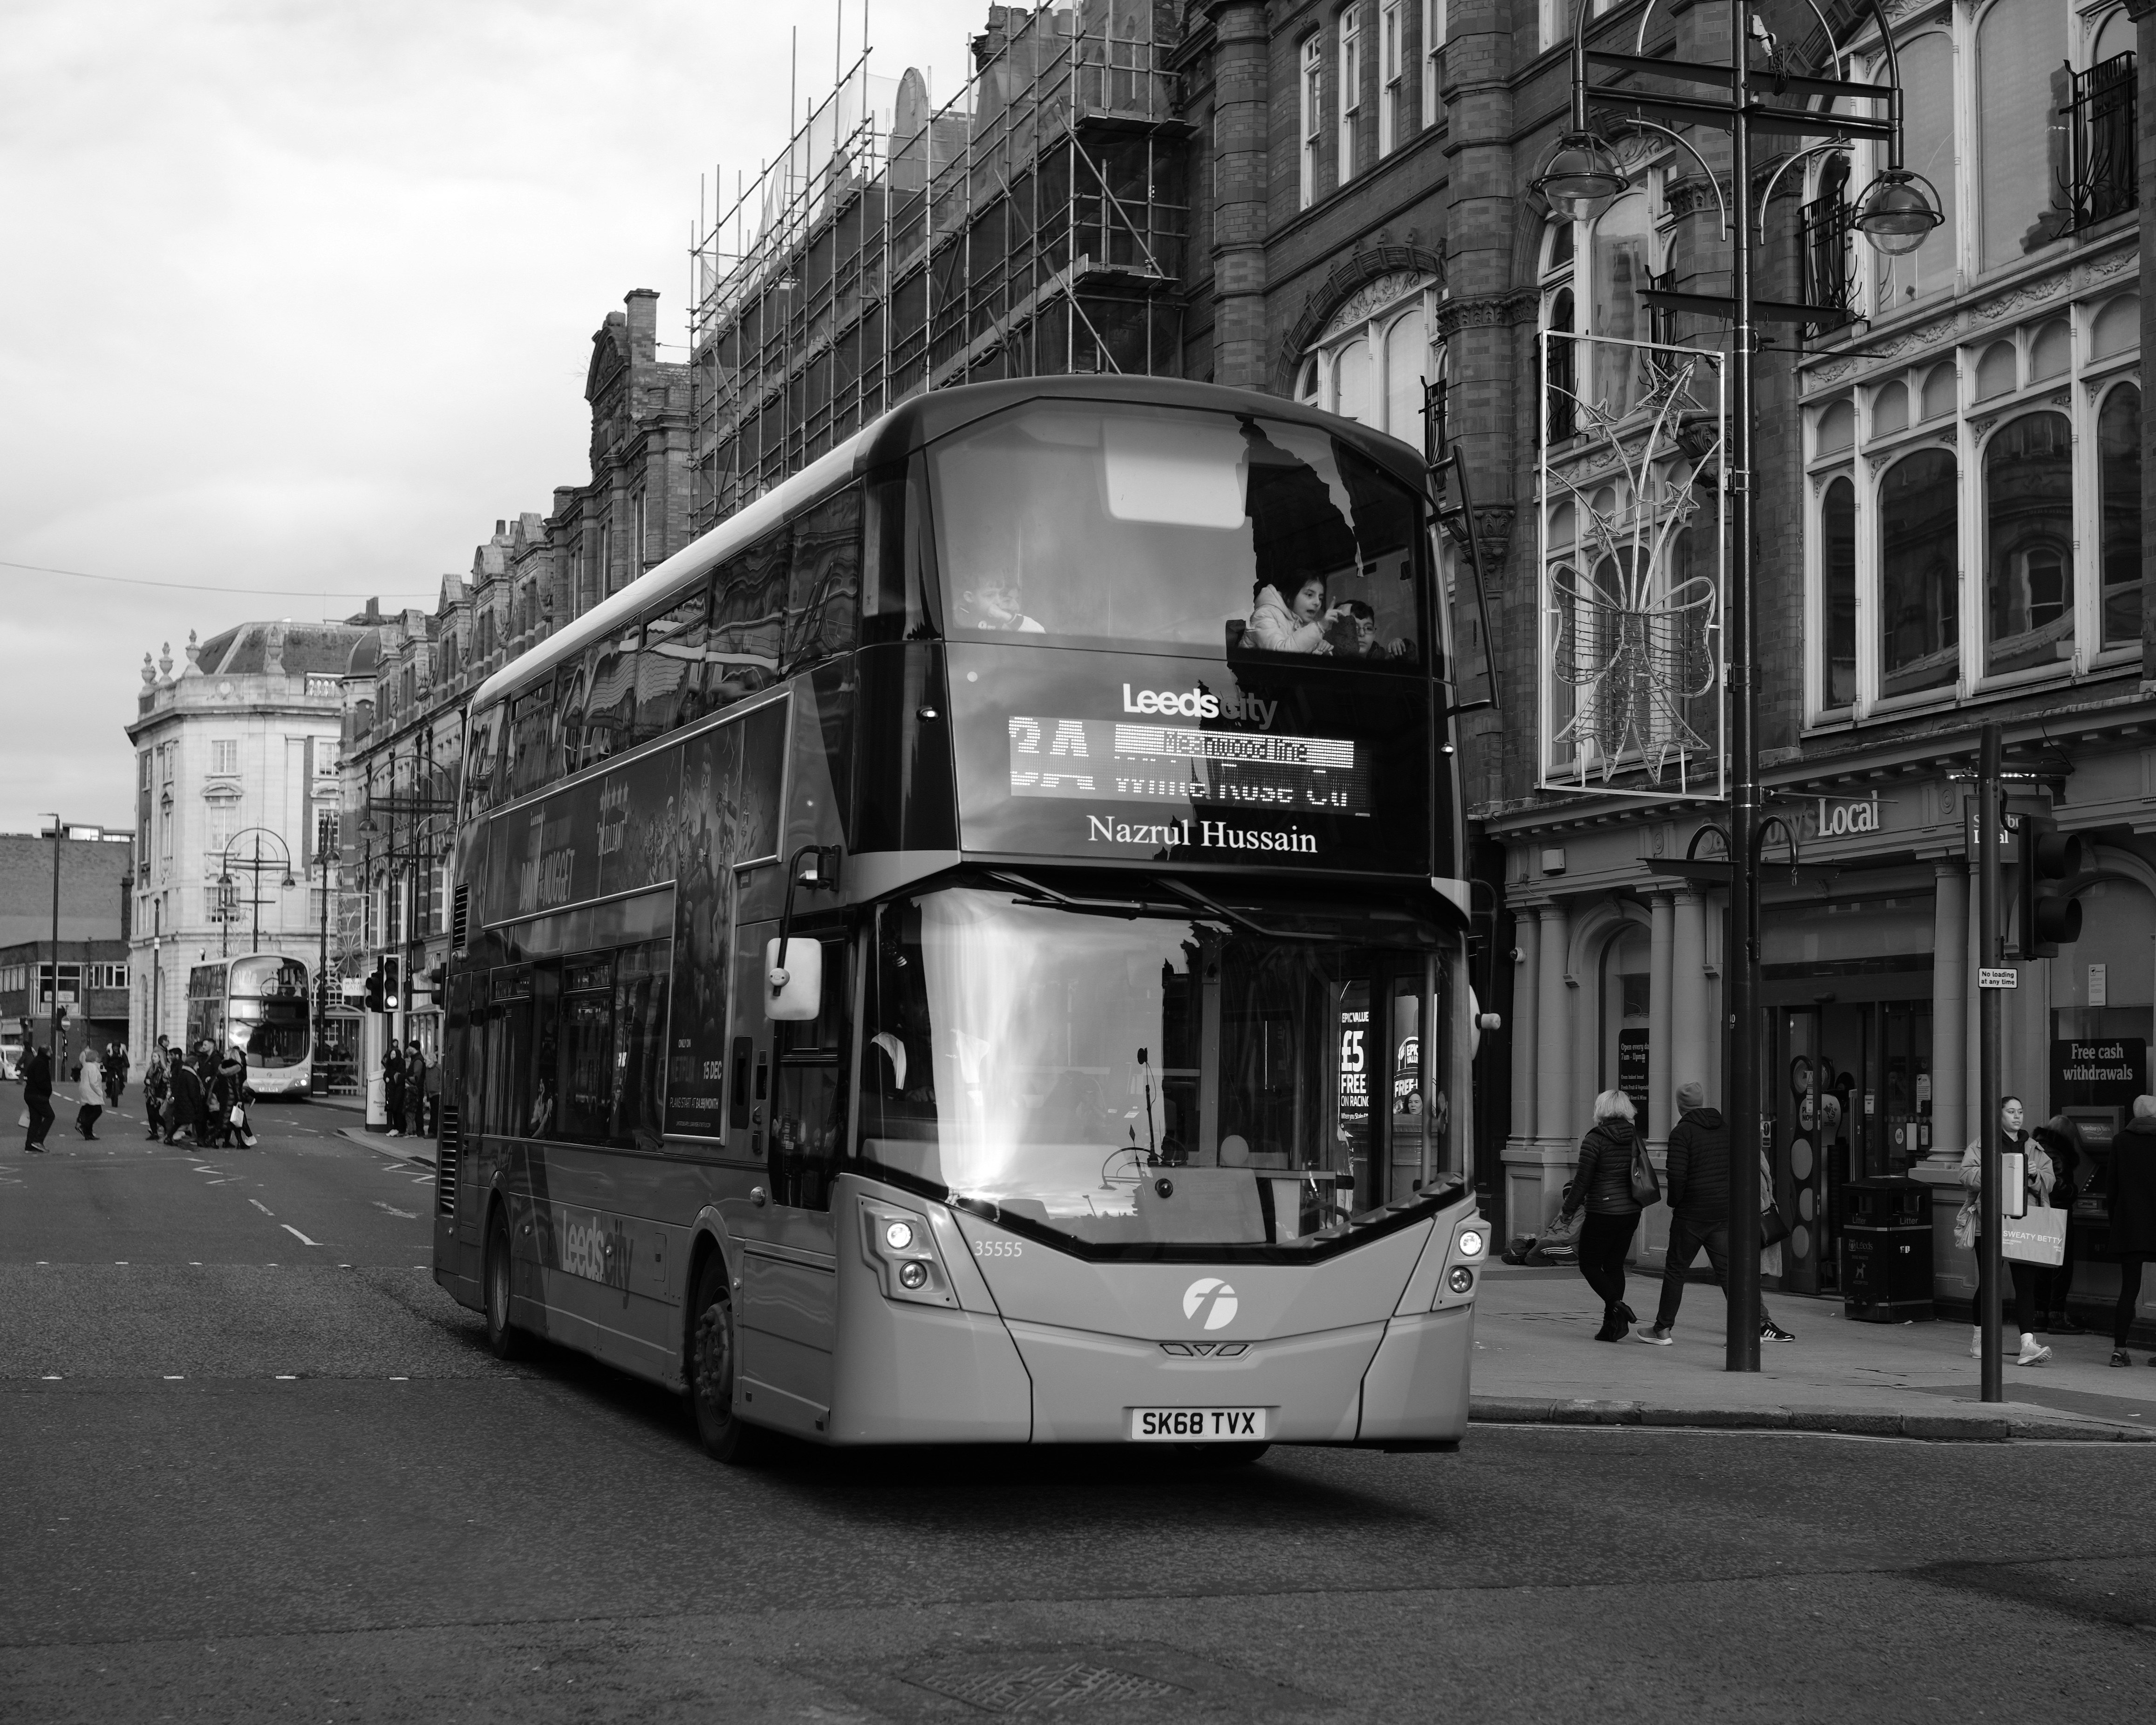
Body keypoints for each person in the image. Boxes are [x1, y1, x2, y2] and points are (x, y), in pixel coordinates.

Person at [1637, 1081, 1795, 1345]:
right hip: (1723, 1213)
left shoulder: (1682, 1133)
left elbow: (1677, 1176)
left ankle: (1663, 1330)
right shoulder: (1724, 1128)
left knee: (1676, 1270)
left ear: (1679, 1106)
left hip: (1692, 1215)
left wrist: (1676, 1203)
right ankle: (1752, 1325)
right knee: (1729, 1273)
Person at [1958, 1095, 2053, 1367]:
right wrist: (1997, 1170)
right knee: (1990, 1282)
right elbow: (1965, 1175)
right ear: (1999, 1115)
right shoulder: (1983, 1144)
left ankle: (2028, 1344)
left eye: (2020, 1112)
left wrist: (2034, 1176)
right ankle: (1980, 1337)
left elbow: (2051, 1181)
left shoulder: (2034, 1147)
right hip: (1990, 1221)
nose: (2017, 1117)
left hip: (2025, 1221)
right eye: (2011, 1112)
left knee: (2026, 1284)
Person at [1557, 1089, 1647, 1342]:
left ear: (1601, 1110)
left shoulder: (1594, 1139)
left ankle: (1617, 1305)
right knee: (1615, 1265)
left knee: (1589, 1264)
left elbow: (1581, 1182)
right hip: (1631, 1210)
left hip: (1603, 1211)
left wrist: (1567, 1213)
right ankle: (1613, 1326)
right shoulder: (1635, 1137)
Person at [2106, 1094, 2156, 1367]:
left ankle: (2120, 1349)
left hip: (2131, 1226)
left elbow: (2111, 1187)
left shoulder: (2120, 1141)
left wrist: (2117, 1222)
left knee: (2129, 1289)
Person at [2032, 1115, 2087, 1333]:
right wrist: (2076, 1191)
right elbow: (2059, 1187)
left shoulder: (2038, 1147)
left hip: (2040, 1213)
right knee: (2060, 1267)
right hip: (2057, 1216)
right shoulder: (2057, 1153)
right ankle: (2057, 1316)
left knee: (2042, 1266)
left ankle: (2040, 1315)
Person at [1245, 574, 1348, 654]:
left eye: (1320, 598)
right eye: (1309, 595)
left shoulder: (1307, 624)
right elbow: (1279, 655)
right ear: (1289, 596)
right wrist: (1319, 627)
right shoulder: (1264, 614)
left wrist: (1320, 650)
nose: (1317, 602)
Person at [958, 574, 1045, 633]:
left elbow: (1039, 638)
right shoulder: (959, 617)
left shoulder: (1008, 619)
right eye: (990, 595)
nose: (998, 601)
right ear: (970, 597)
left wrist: (1008, 618)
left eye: (1000, 594)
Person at [164, 1048, 207, 1148]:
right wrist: (197, 1103)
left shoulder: (184, 1073)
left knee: (180, 1122)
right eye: (197, 1065)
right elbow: (193, 1091)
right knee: (198, 1120)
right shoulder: (191, 1075)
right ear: (193, 1064)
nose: (198, 1067)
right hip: (188, 1103)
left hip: (183, 1103)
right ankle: (201, 1140)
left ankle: (169, 1138)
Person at [21, 1043, 55, 1153]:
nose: (52, 1053)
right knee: (50, 1116)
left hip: (31, 1094)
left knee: (35, 1120)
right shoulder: (41, 1063)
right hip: (37, 1095)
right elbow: (41, 1081)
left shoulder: (38, 1061)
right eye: (50, 1051)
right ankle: (38, 1141)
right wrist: (46, 1094)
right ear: (46, 1052)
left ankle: (29, 1146)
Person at [140, 1044, 170, 1141]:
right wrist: (147, 1081)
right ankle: (154, 1133)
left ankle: (166, 1127)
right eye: (153, 1056)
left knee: (154, 1114)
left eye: (155, 1057)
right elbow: (146, 1080)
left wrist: (161, 1097)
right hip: (149, 1094)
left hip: (157, 1095)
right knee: (150, 1114)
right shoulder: (151, 1069)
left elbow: (164, 1085)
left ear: (160, 1058)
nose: (153, 1059)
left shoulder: (163, 1070)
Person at [75, 1047, 104, 1140]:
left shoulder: (86, 1066)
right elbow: (93, 1082)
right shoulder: (92, 1067)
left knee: (89, 1110)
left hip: (84, 1089)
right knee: (97, 1111)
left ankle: (88, 1134)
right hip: (91, 1091)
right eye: (97, 1057)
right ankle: (84, 1126)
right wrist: (99, 1092)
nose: (98, 1058)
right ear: (94, 1058)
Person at [404, 1040, 430, 1138]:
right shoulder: (416, 1059)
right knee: (417, 1110)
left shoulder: (418, 1060)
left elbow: (416, 1077)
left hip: (415, 1089)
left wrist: (406, 1078)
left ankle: (419, 1130)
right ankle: (417, 1130)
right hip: (415, 1088)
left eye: (410, 1047)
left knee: (417, 1110)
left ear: (414, 1048)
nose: (409, 1049)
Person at [383, 1042, 407, 1139]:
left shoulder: (401, 1063)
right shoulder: (389, 1064)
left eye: (394, 1054)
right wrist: (386, 1078)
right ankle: (395, 1127)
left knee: (398, 1109)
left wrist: (391, 1078)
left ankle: (400, 1129)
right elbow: (386, 1074)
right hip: (391, 1090)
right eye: (391, 1054)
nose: (393, 1056)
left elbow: (400, 1076)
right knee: (393, 1108)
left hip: (398, 1089)